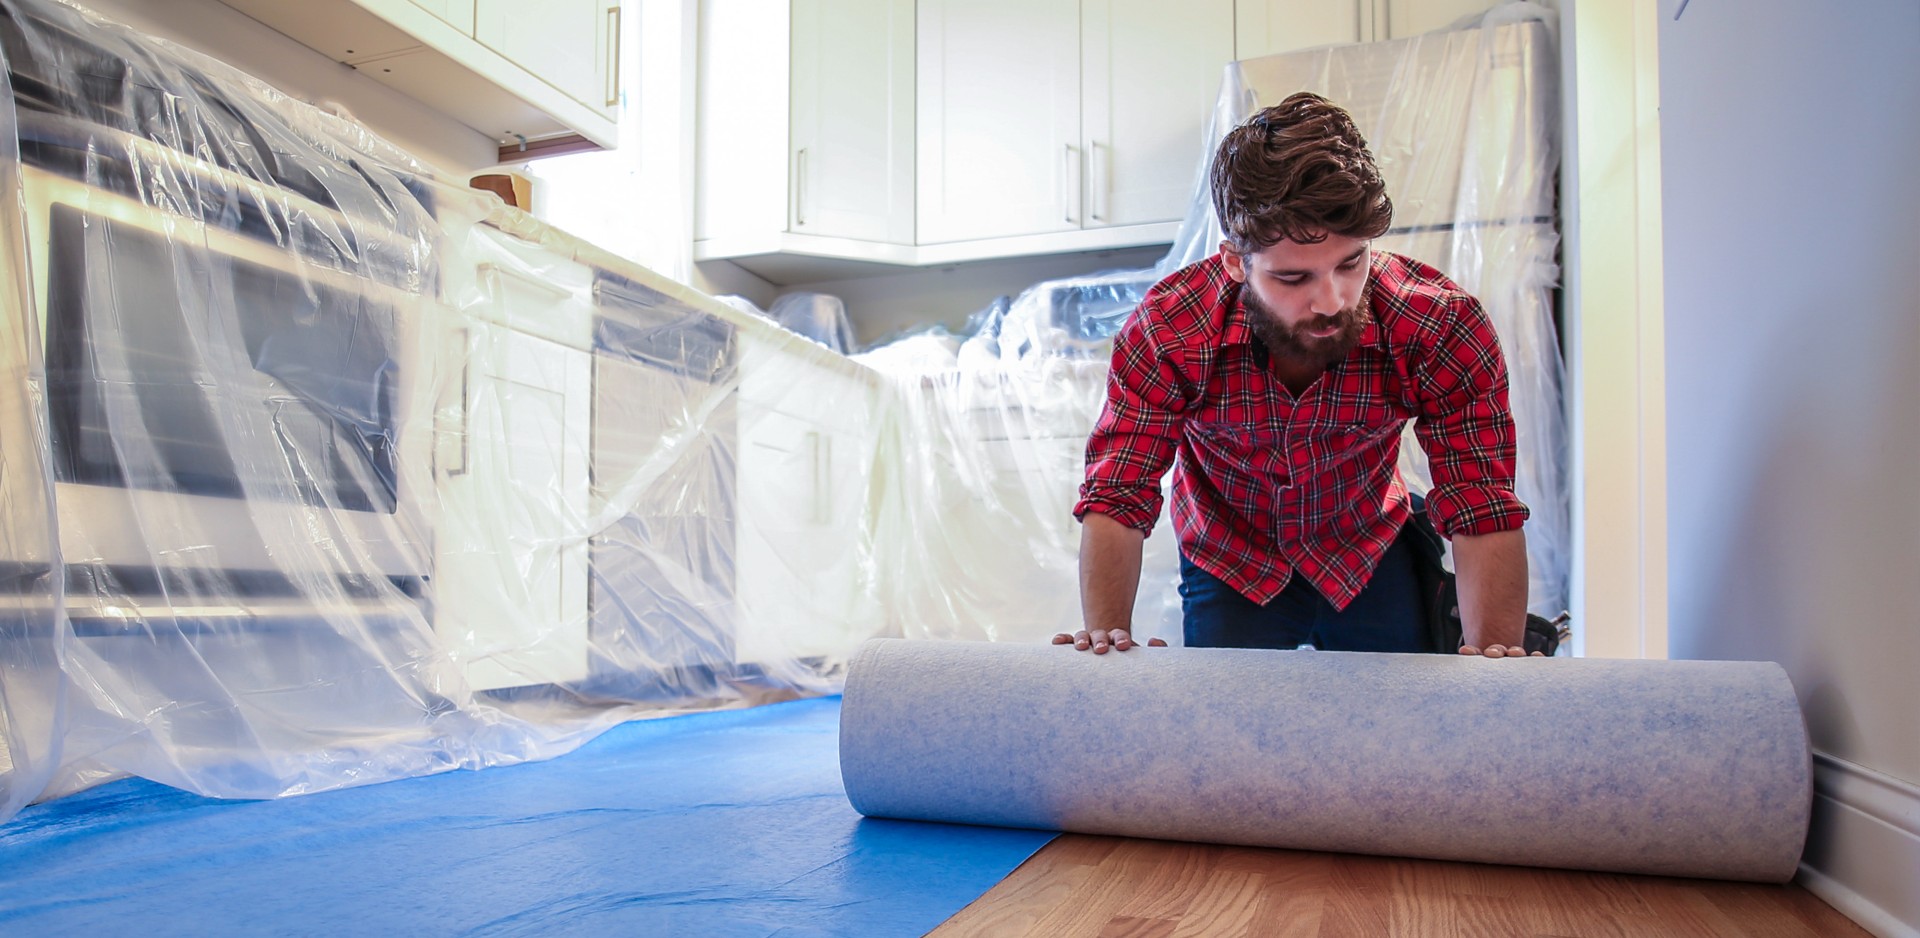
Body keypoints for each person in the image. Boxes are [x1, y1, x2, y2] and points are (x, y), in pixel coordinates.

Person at [1055, 92, 1539, 659]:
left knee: (1393, 734)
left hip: (1367, 548)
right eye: (1292, 278)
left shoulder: (1440, 324)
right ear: (1237, 262)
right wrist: (1108, 637)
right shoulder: (1172, 329)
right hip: (1230, 560)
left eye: (1351, 262)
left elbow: (1480, 498)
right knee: (1234, 739)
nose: (1331, 301)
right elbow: (1119, 492)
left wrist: (1498, 676)